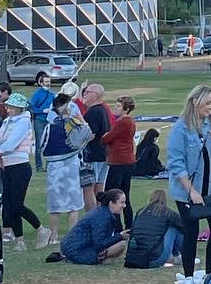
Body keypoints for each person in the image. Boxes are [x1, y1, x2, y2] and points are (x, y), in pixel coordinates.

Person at [166, 84, 211, 284]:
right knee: (191, 232)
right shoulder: (181, 129)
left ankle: (210, 273)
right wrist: (192, 191)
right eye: (207, 103)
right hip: (187, 191)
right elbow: (176, 163)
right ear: (195, 103)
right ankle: (188, 276)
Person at [40, 90, 91, 247]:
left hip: (54, 167)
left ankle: (54, 235)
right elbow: (86, 135)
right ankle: (70, 236)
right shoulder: (74, 124)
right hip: (70, 166)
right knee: (73, 203)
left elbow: (42, 146)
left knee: (55, 203)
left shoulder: (50, 127)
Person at [0, 91, 41, 249]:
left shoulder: (23, 122)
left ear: (19, 108)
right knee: (8, 203)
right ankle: (19, 240)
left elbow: (11, 144)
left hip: (20, 165)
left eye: (11, 107)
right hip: (8, 166)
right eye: (7, 106)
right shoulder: (7, 122)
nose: (8, 109)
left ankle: (40, 228)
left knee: (16, 204)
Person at [50, 189, 128, 265]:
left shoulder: (102, 212)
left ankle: (102, 258)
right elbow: (99, 244)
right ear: (111, 203)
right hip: (77, 252)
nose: (124, 206)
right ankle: (101, 259)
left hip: (71, 249)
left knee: (118, 245)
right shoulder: (103, 216)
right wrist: (120, 236)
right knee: (121, 245)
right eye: (122, 203)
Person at [100, 96, 138, 229]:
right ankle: (128, 226)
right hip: (126, 161)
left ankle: (117, 227)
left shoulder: (123, 122)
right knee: (124, 194)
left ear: (126, 109)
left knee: (112, 195)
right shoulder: (129, 122)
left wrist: (105, 135)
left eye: (118, 106)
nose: (114, 109)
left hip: (119, 162)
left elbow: (107, 139)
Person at [124, 188, 184, 269]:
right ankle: (182, 255)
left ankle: (176, 255)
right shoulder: (166, 212)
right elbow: (183, 226)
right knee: (174, 228)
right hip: (153, 260)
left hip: (133, 259)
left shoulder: (140, 212)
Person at [80, 83, 113, 207]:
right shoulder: (103, 110)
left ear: (95, 95)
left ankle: (92, 216)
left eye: (87, 92)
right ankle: (101, 212)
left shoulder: (93, 113)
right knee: (99, 187)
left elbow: (90, 135)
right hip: (103, 154)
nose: (84, 94)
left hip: (93, 155)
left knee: (89, 189)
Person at [28, 71, 55, 173]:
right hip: (39, 120)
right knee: (39, 144)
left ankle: (49, 165)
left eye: (49, 81)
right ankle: (39, 166)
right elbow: (31, 108)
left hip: (50, 121)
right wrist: (42, 111)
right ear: (41, 83)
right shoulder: (37, 95)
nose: (48, 83)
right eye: (46, 81)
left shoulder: (52, 94)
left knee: (49, 143)